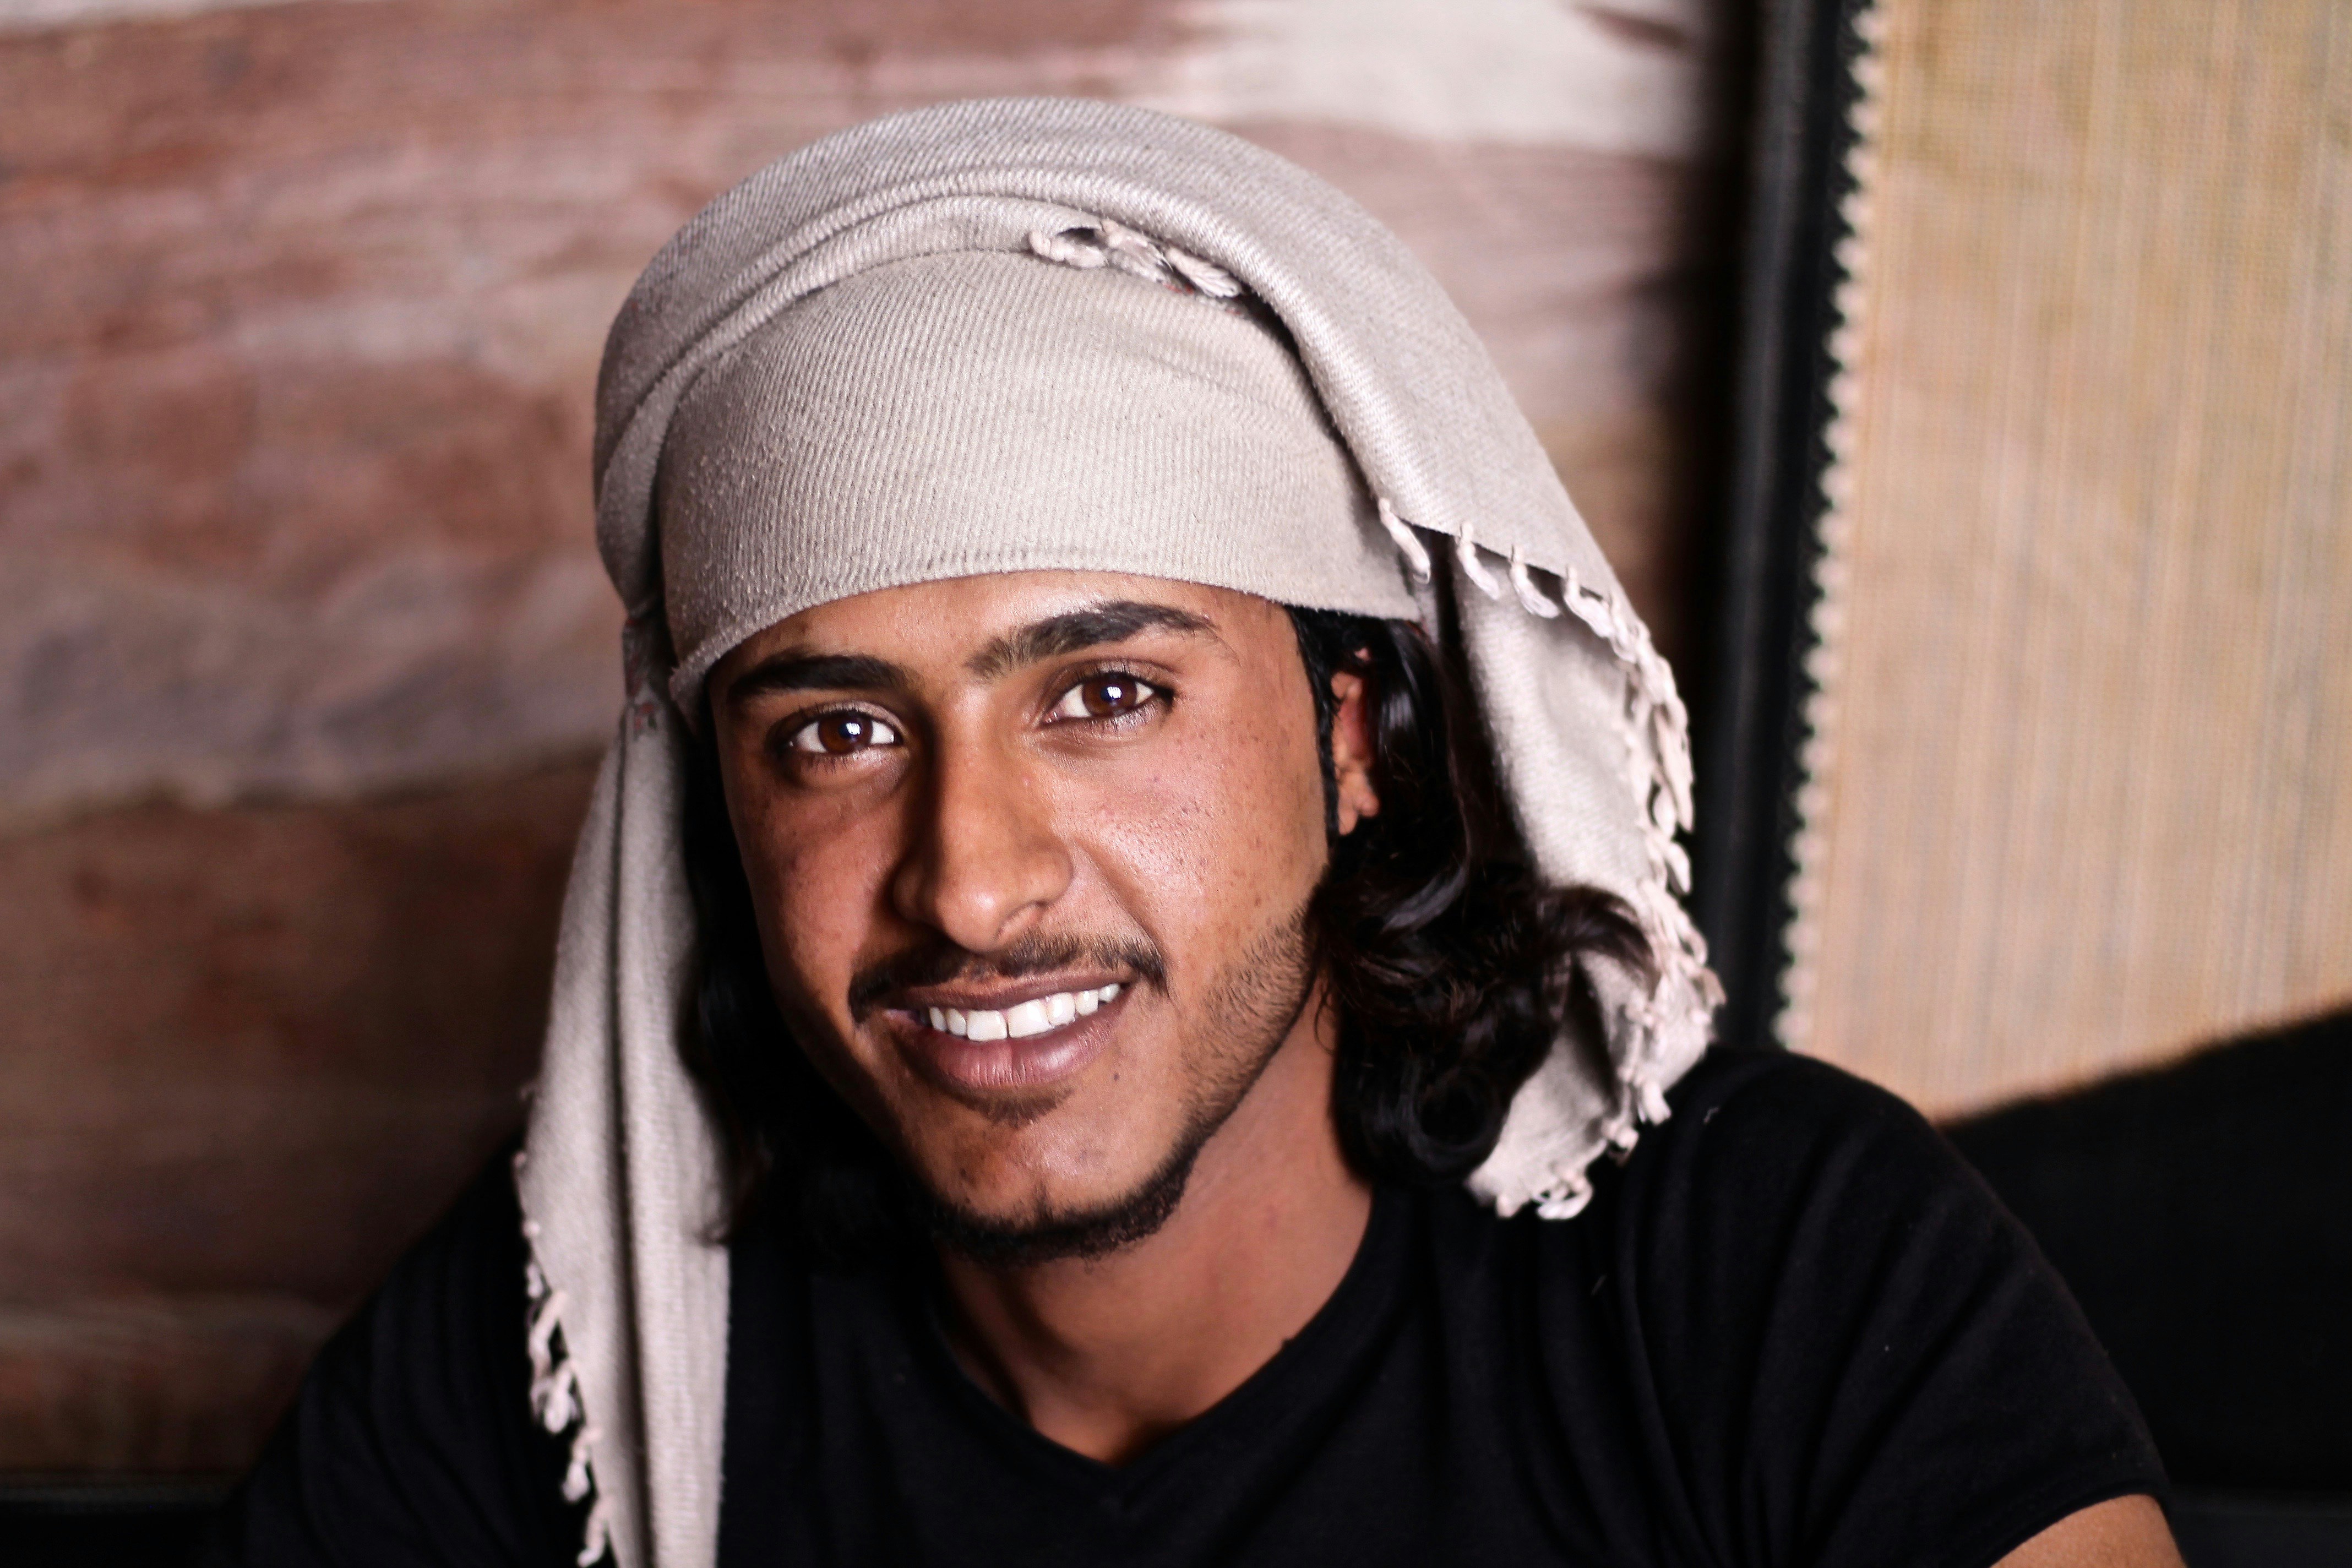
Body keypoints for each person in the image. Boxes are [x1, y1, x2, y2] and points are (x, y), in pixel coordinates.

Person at [207, 99, 2180, 1567]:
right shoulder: (591, 1330)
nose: (970, 879)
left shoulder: (1776, 1277)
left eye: (1104, 696)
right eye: (835, 731)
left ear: (1356, 747)